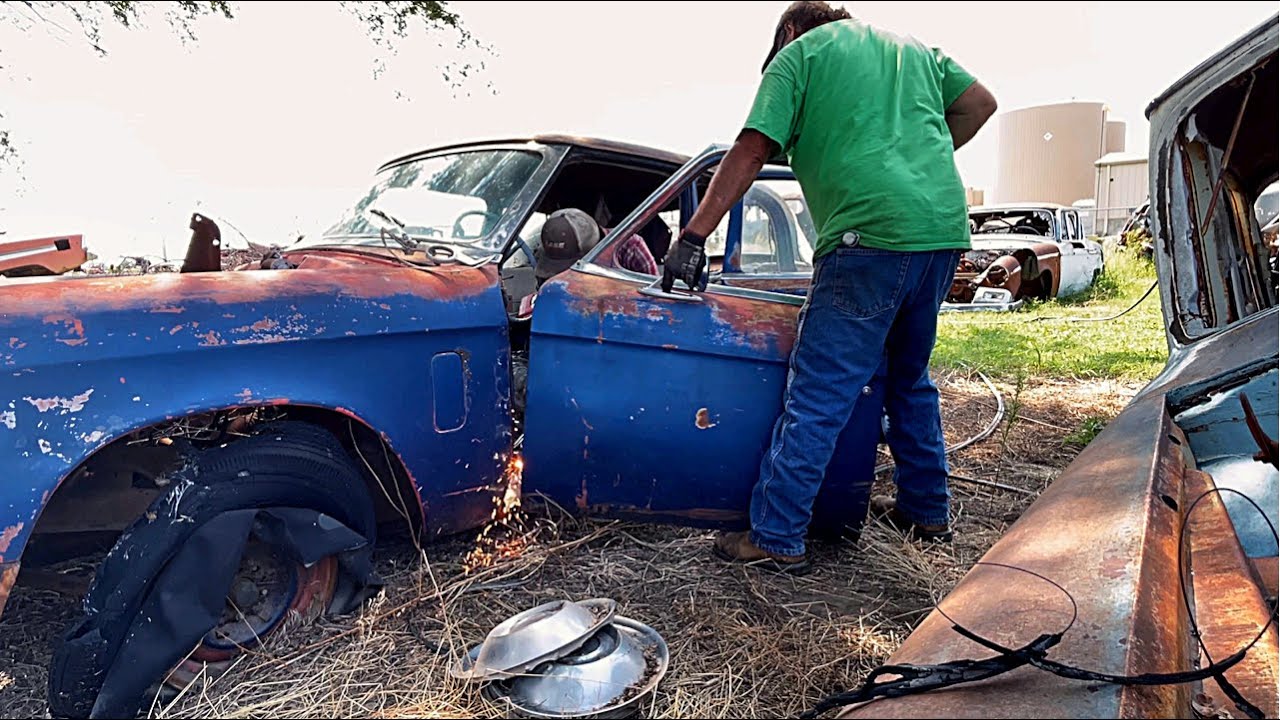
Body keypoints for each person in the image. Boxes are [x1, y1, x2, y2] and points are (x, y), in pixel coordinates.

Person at [662, 1, 997, 572]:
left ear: (790, 31)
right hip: (940, 233)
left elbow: (751, 149)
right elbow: (979, 105)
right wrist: (915, 163)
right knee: (909, 379)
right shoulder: (910, 47)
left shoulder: (799, 55)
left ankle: (776, 533)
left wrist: (693, 235)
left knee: (818, 393)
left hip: (866, 240)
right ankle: (927, 512)